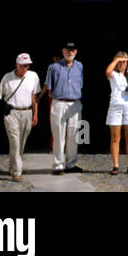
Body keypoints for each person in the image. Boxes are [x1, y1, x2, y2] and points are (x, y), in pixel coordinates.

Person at [0, 52, 39, 182]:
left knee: (21, 143)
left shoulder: (33, 76)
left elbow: (34, 97)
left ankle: (14, 166)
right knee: (15, 142)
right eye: (23, 66)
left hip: (27, 112)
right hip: (12, 114)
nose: (25, 68)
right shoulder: (7, 78)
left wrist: (35, 113)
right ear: (17, 65)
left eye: (27, 66)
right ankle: (17, 172)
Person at [44, 40, 84, 174]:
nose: (70, 52)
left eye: (73, 50)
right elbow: (49, 87)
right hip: (59, 103)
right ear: (63, 51)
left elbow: (80, 84)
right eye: (67, 50)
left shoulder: (80, 66)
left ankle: (71, 164)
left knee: (74, 134)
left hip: (75, 103)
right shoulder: (54, 67)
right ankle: (58, 165)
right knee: (58, 134)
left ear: (76, 52)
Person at [104, 51, 128, 175]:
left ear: (127, 62)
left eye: (124, 61)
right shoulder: (113, 74)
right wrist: (116, 60)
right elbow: (107, 72)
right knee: (115, 137)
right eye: (120, 61)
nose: (122, 64)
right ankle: (115, 165)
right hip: (115, 107)